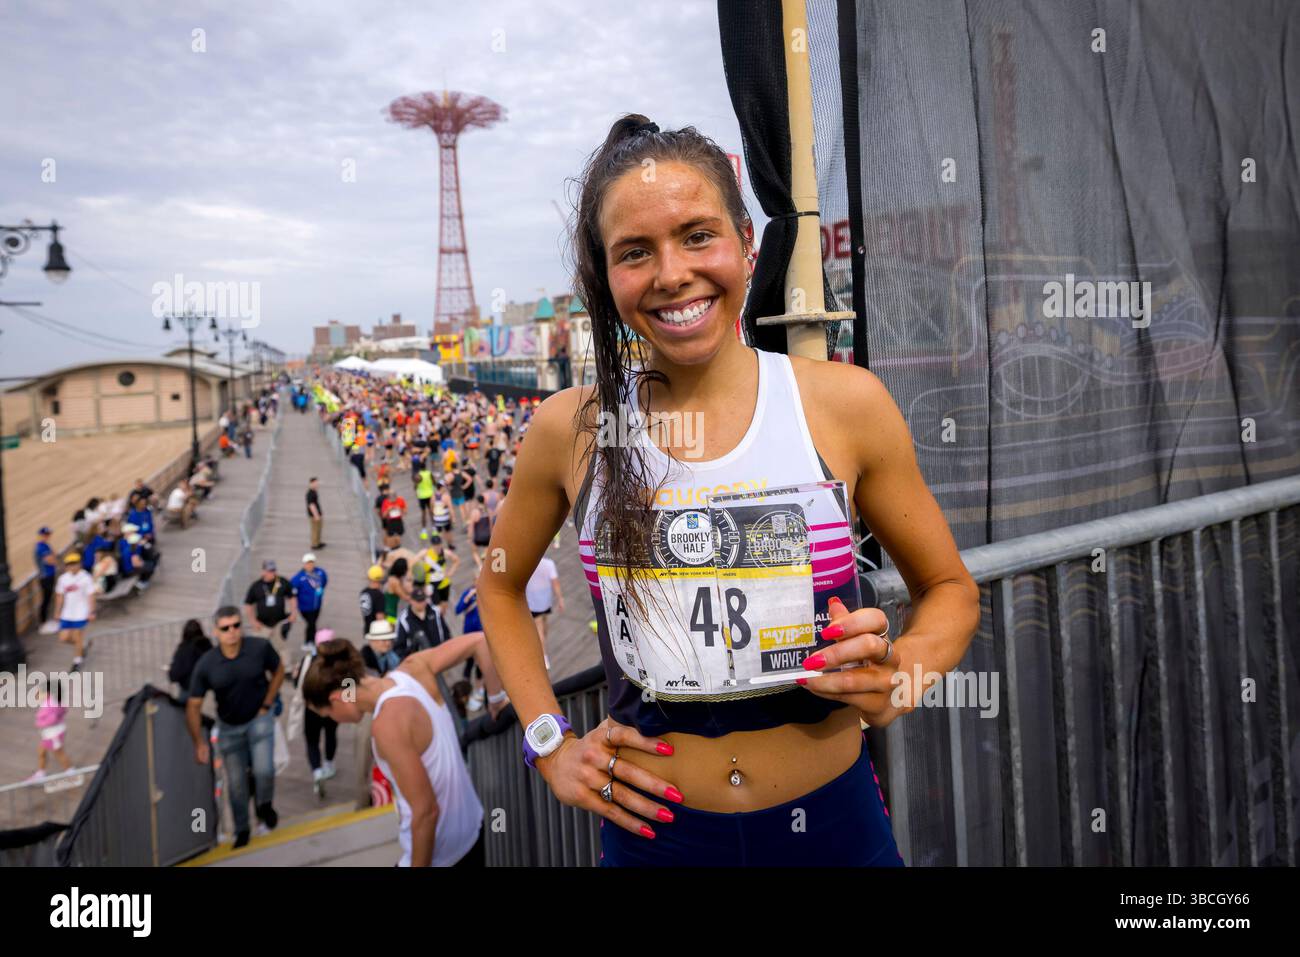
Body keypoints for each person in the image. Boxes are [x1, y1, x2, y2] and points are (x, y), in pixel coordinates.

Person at [474, 115, 979, 866]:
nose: (672, 273)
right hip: (655, 839)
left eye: (697, 235)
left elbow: (949, 589)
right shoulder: (568, 428)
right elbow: (501, 586)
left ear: (747, 242)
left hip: (832, 828)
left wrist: (899, 678)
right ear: (604, 276)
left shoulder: (845, 404)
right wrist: (549, 742)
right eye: (635, 252)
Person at [303, 636, 505, 866]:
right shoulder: (414, 668)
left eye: (328, 715)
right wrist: (496, 699)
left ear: (336, 698)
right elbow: (482, 641)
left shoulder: (387, 725)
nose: (336, 721)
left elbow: (426, 812)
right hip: (473, 831)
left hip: (443, 856)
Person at [187, 606, 285, 849]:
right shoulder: (207, 664)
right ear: (216, 632)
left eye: (236, 626)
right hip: (229, 728)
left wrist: (268, 702)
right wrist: (199, 742)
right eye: (225, 628)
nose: (232, 632)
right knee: (237, 785)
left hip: (259, 719)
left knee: (264, 770)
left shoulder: (259, 648)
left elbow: (279, 669)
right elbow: (193, 705)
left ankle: (264, 806)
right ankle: (242, 830)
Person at [289, 628, 337, 790]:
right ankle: (329, 764)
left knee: (312, 741)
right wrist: (348, 700)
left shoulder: (307, 661)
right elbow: (349, 683)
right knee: (331, 734)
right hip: (332, 707)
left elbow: (297, 684)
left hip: (311, 708)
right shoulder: (339, 662)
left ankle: (317, 771)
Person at [26, 677, 74, 783]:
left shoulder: (51, 705)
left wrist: (39, 723)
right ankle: (41, 773)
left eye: (40, 691)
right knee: (42, 752)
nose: (37, 693)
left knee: (59, 753)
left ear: (48, 693)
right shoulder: (51, 701)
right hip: (50, 733)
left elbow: (52, 720)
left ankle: (71, 772)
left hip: (53, 734)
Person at [53, 553, 95, 669]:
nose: (72, 567)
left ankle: (77, 660)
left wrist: (91, 611)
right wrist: (57, 611)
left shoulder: (85, 578)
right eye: (69, 565)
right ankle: (82, 646)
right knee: (64, 638)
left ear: (79, 564)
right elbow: (60, 596)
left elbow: (91, 595)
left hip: (81, 612)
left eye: (74, 564)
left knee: (77, 635)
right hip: (67, 612)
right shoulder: (63, 579)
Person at [242, 559, 297, 644]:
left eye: (273, 570)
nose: (272, 573)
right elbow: (248, 604)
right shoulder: (256, 586)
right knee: (260, 648)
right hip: (262, 625)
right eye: (269, 571)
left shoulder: (283, 581)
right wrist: (253, 621)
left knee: (280, 648)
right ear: (263, 571)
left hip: (279, 624)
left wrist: (293, 613)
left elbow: (292, 597)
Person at [523, 555, 563, 671]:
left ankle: (544, 656)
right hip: (545, 602)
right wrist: (560, 598)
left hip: (533, 603)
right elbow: (555, 583)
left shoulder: (527, 564)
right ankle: (543, 652)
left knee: (540, 630)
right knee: (543, 628)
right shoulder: (549, 564)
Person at [168, 619, 213, 704]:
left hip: (189, 687)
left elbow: (175, 674)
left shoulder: (184, 649)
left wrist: (170, 671)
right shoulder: (207, 644)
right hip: (205, 684)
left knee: (183, 710)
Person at [395, 587, 450, 656]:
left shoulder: (435, 612)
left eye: (423, 600)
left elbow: (445, 632)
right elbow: (399, 645)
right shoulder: (404, 619)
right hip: (419, 660)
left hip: (438, 656)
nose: (421, 603)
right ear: (411, 601)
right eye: (418, 601)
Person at [290, 553, 328, 650]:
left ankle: (311, 641)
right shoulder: (298, 578)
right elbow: (292, 592)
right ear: (304, 564)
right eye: (307, 563)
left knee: (313, 623)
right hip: (305, 607)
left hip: (317, 605)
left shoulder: (320, 572)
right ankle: (309, 642)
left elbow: (324, 581)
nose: (310, 565)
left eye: (311, 562)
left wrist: (320, 592)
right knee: (311, 624)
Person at [35, 527, 59, 635]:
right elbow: (51, 560)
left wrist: (53, 557)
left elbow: (54, 557)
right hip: (46, 577)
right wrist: (53, 557)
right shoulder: (41, 547)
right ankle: (42, 623)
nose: (48, 536)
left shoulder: (45, 545)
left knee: (48, 599)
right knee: (46, 599)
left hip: (49, 576)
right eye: (46, 534)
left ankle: (44, 621)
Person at [360, 564, 386, 635]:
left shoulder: (364, 592)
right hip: (376, 631)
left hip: (367, 627)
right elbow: (380, 617)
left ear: (368, 577)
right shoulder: (379, 596)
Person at [306, 477, 326, 549]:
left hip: (317, 514)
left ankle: (318, 542)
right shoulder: (310, 494)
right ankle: (314, 544)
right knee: (315, 530)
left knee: (318, 529)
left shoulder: (314, 491)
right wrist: (316, 515)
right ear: (311, 483)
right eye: (315, 483)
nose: (317, 484)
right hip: (314, 515)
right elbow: (311, 505)